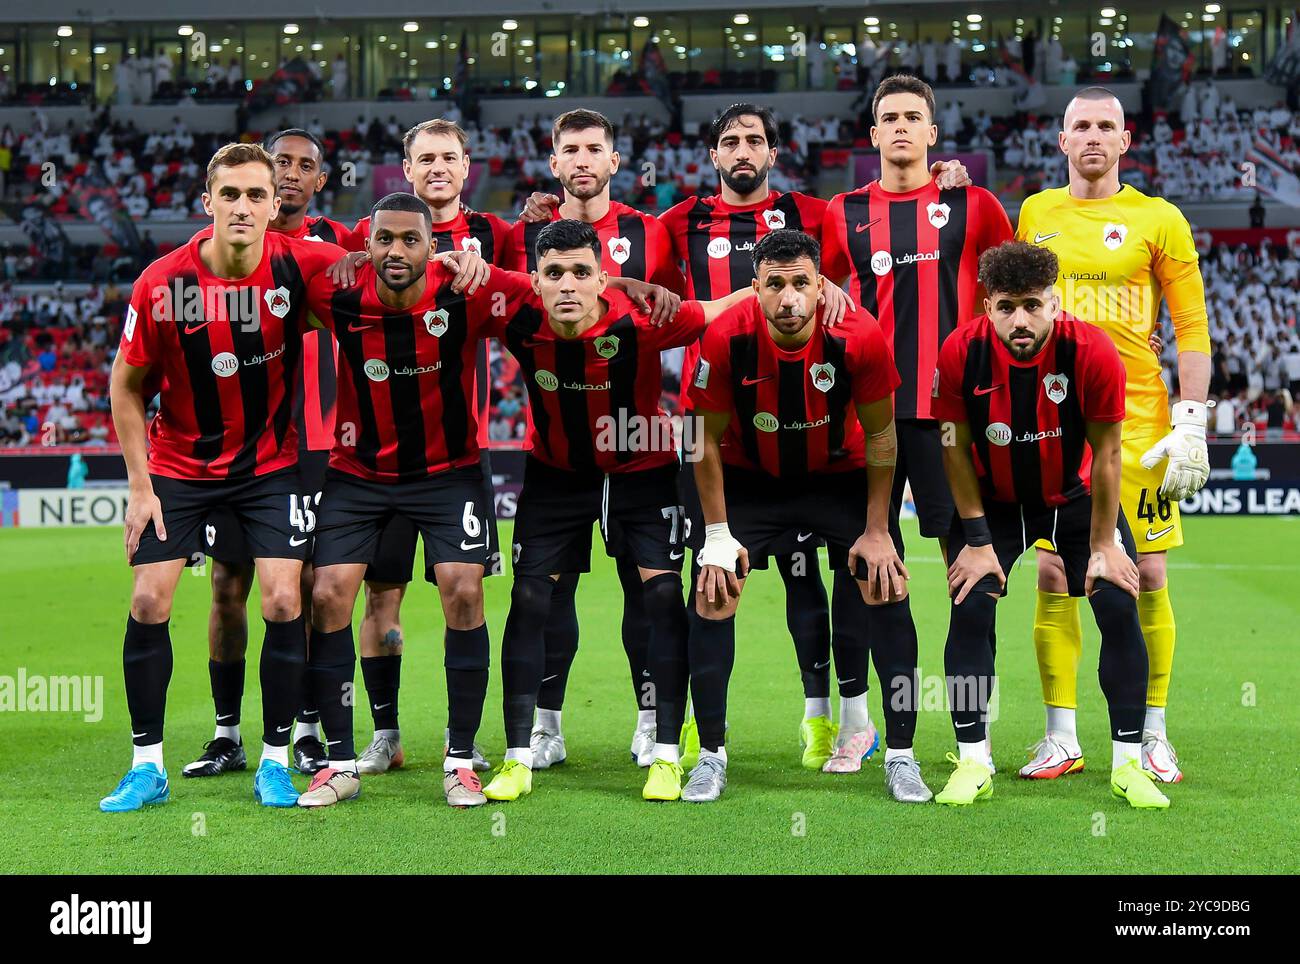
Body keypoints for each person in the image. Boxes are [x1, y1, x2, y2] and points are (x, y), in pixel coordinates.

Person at [101, 143, 347, 812]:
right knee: (150, 601)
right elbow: (124, 389)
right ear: (207, 202)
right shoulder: (161, 283)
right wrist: (140, 486)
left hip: (270, 465)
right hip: (177, 464)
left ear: (277, 205)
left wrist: (454, 262)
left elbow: (387, 278)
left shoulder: (301, 264)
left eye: (256, 195)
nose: (243, 206)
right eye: (229, 195)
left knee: (282, 601)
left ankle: (273, 760)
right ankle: (146, 766)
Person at [471, 219, 750, 804]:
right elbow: (433, 267)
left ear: (603, 279)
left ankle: (667, 755)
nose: (567, 285)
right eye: (554, 274)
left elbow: (723, 305)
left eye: (580, 273)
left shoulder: (642, 318)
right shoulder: (515, 311)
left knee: (660, 599)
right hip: (556, 474)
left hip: (642, 471)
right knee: (528, 600)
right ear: (534, 281)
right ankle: (519, 755)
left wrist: (808, 286)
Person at [180, 129, 425, 781]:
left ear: (321, 181)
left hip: (327, 448)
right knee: (229, 586)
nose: (290, 174)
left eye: (304, 166)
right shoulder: (218, 254)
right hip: (242, 446)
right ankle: (227, 732)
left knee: (317, 590)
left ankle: (309, 729)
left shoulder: (338, 249)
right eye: (279, 163)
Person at [684, 229, 931, 803]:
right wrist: (717, 535)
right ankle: (710, 755)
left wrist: (877, 531)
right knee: (713, 590)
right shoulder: (726, 337)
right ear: (756, 288)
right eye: (775, 285)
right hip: (754, 479)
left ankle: (900, 755)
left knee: (886, 585)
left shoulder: (859, 336)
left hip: (837, 478)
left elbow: (882, 436)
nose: (789, 298)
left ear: (821, 287)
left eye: (801, 283)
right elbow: (703, 440)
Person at [931, 239, 1169, 810]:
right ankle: (973, 759)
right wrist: (979, 542)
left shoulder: (1091, 351)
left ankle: (1128, 763)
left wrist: (1107, 544)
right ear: (987, 306)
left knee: (1117, 599)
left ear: (1054, 303)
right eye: (1007, 306)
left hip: (1075, 495)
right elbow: (953, 448)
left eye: (1033, 305)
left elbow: (1109, 455)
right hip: (990, 502)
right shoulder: (960, 352)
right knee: (971, 607)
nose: (1020, 319)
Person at [1016, 87, 1211, 784]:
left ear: (1125, 141)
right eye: (1080, 126)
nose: (1093, 136)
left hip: (1141, 425)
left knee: (1149, 573)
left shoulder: (1160, 220)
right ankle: (1060, 736)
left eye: (1106, 126)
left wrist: (1191, 420)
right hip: (1057, 422)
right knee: (1053, 572)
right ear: (1062, 141)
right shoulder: (1035, 213)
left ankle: (1153, 733)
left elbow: (1190, 325)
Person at [657, 103, 858, 772]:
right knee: (710, 577)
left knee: (811, 581)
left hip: (809, 422)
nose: (743, 150)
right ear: (712, 155)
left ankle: (822, 721)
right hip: (716, 431)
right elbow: (659, 311)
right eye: (730, 141)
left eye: (756, 140)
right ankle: (698, 732)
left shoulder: (816, 216)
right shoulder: (676, 224)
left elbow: (849, 294)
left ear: (774, 152)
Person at [822, 74, 1013, 769]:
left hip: (950, 420)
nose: (900, 127)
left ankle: (973, 743)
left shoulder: (975, 204)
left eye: (913, 117)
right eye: (888, 118)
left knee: (971, 574)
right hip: (867, 420)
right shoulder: (841, 212)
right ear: (872, 135)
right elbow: (815, 291)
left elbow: (1014, 299)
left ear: (933, 133)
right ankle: (866, 727)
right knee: (865, 570)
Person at [300, 193, 495, 808]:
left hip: (449, 470)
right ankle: (339, 762)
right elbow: (271, 257)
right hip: (359, 473)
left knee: (464, 589)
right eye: (383, 239)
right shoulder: (338, 292)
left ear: (431, 245)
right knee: (330, 595)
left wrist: (627, 282)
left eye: (410, 239)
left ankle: (460, 760)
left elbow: (553, 281)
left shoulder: (465, 290)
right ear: (368, 243)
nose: (395, 251)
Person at [508, 109, 688, 770]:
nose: (582, 161)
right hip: (555, 453)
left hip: (639, 446)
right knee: (547, 592)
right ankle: (546, 727)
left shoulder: (653, 232)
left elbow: (676, 311)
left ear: (615, 160)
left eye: (594, 150)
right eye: (569, 150)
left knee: (648, 588)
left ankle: (651, 720)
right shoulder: (526, 234)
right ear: (553, 162)